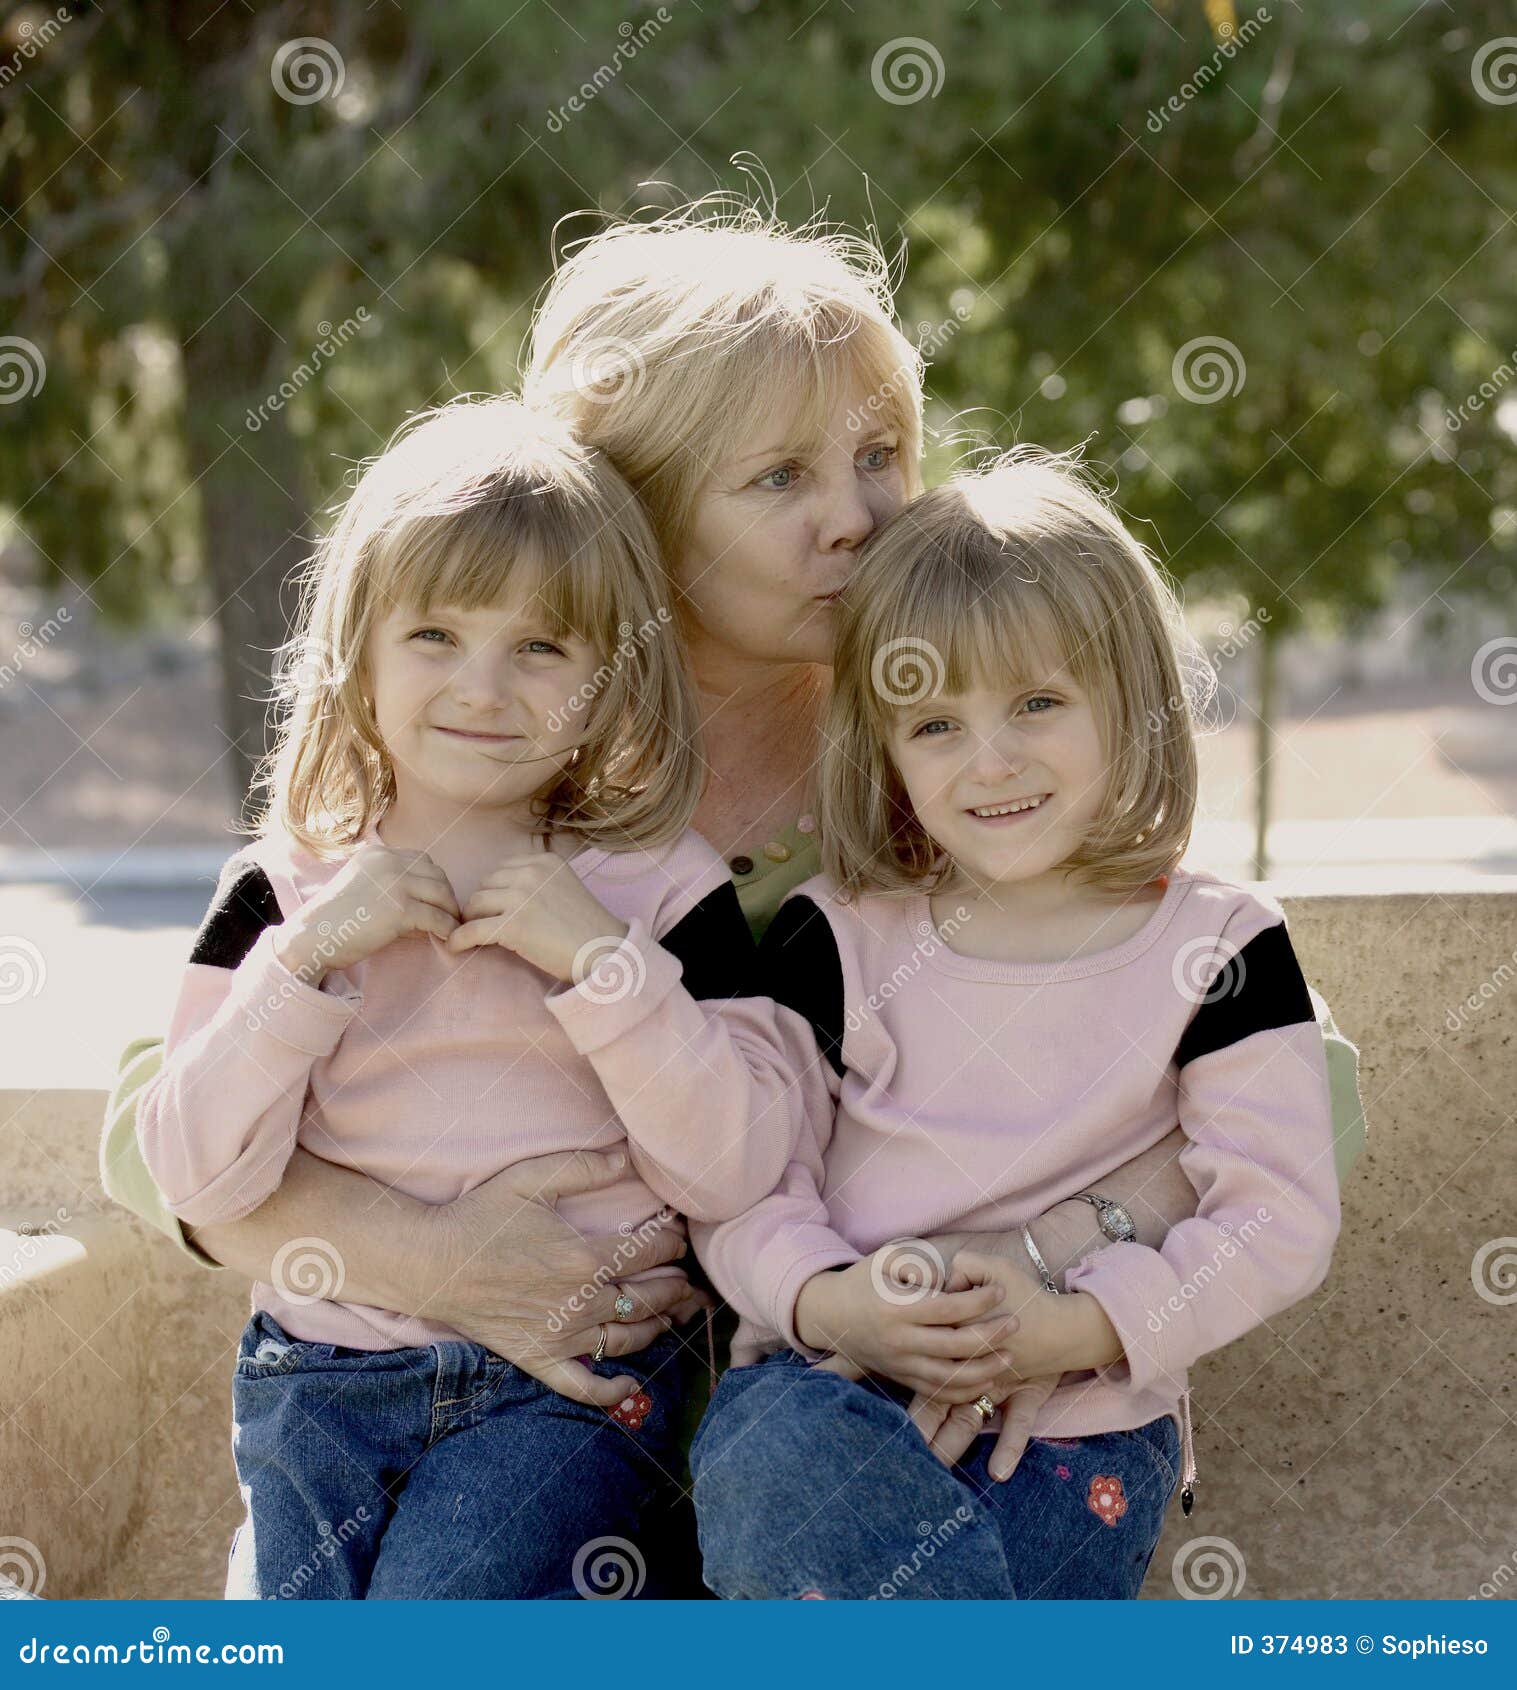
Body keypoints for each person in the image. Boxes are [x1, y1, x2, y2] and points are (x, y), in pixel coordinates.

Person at [100, 204, 1366, 1584]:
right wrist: (430, 1256)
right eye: (779, 478)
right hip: (544, 1460)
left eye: (880, 454)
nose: (860, 515)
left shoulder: (962, 773)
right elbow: (148, 1134)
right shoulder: (493, 785)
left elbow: (1306, 1089)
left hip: (901, 1462)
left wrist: (1036, 1258)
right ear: (625, 511)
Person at [135, 398, 811, 1598]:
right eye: (436, 634)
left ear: (610, 677)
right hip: (316, 1387)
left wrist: (603, 968)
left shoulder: (660, 892)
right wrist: (303, 965)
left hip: (561, 1399)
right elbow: (195, 1171)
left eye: (540, 647)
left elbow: (739, 1163)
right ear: (360, 651)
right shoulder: (282, 890)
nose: (483, 688)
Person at [689, 450, 1342, 1600]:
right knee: (777, 1471)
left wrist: (1075, 1327)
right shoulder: (832, 937)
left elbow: (1275, 1212)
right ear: (882, 745)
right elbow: (741, 1183)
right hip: (831, 1389)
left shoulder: (1220, 946)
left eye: (1035, 703)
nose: (990, 761)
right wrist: (834, 1303)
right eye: (933, 724)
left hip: (1078, 1426)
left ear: (1127, 700)